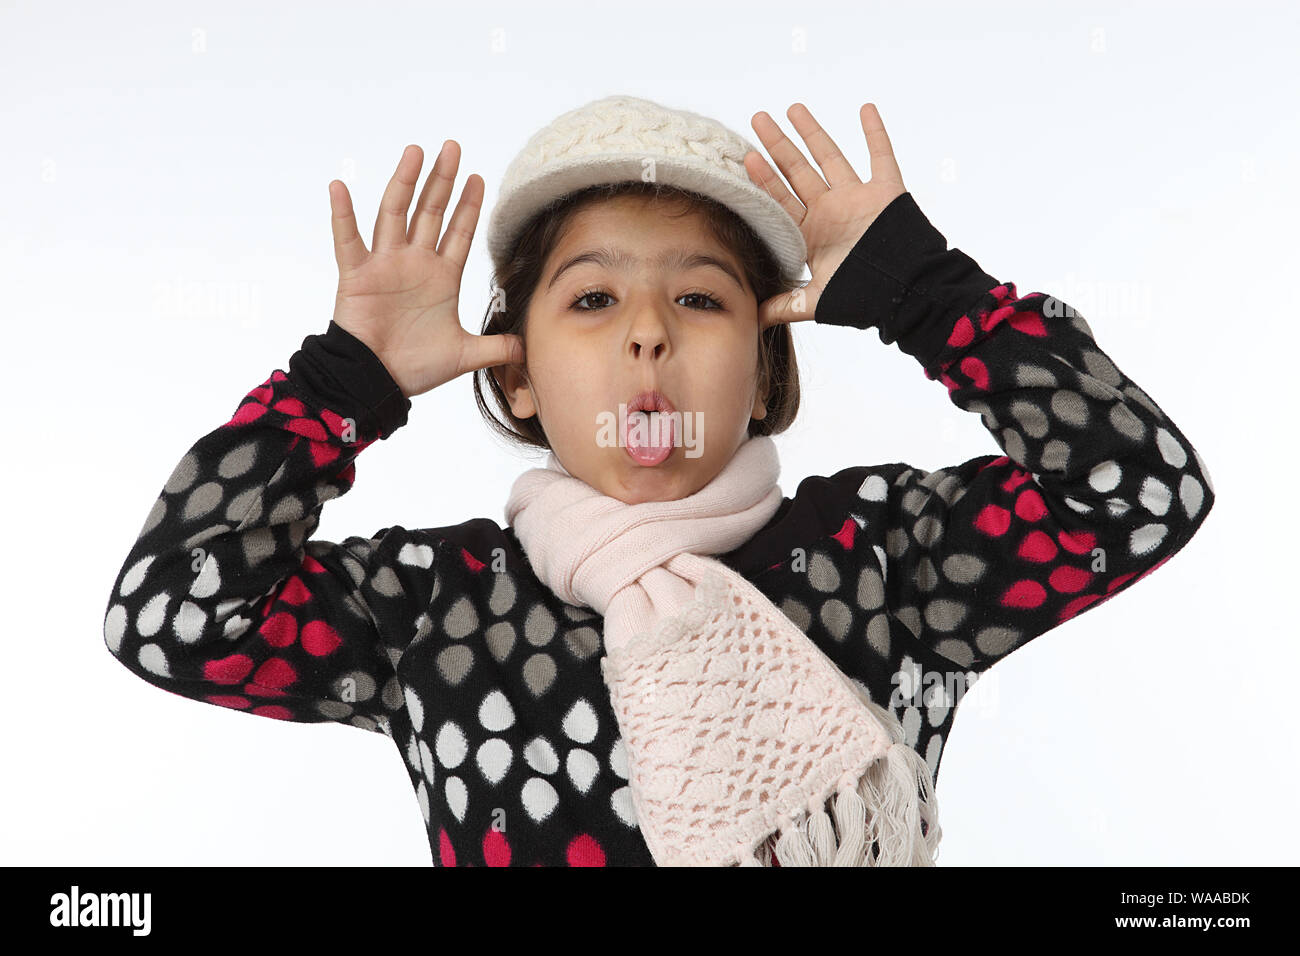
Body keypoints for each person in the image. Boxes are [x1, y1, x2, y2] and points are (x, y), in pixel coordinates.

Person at [103, 95, 1215, 866]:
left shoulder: (886, 553)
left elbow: (1137, 490)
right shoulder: (433, 601)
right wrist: (341, 386)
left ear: (765, 365)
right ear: (520, 372)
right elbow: (171, 617)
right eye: (591, 300)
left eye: (699, 299)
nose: (645, 335)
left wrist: (928, 295)